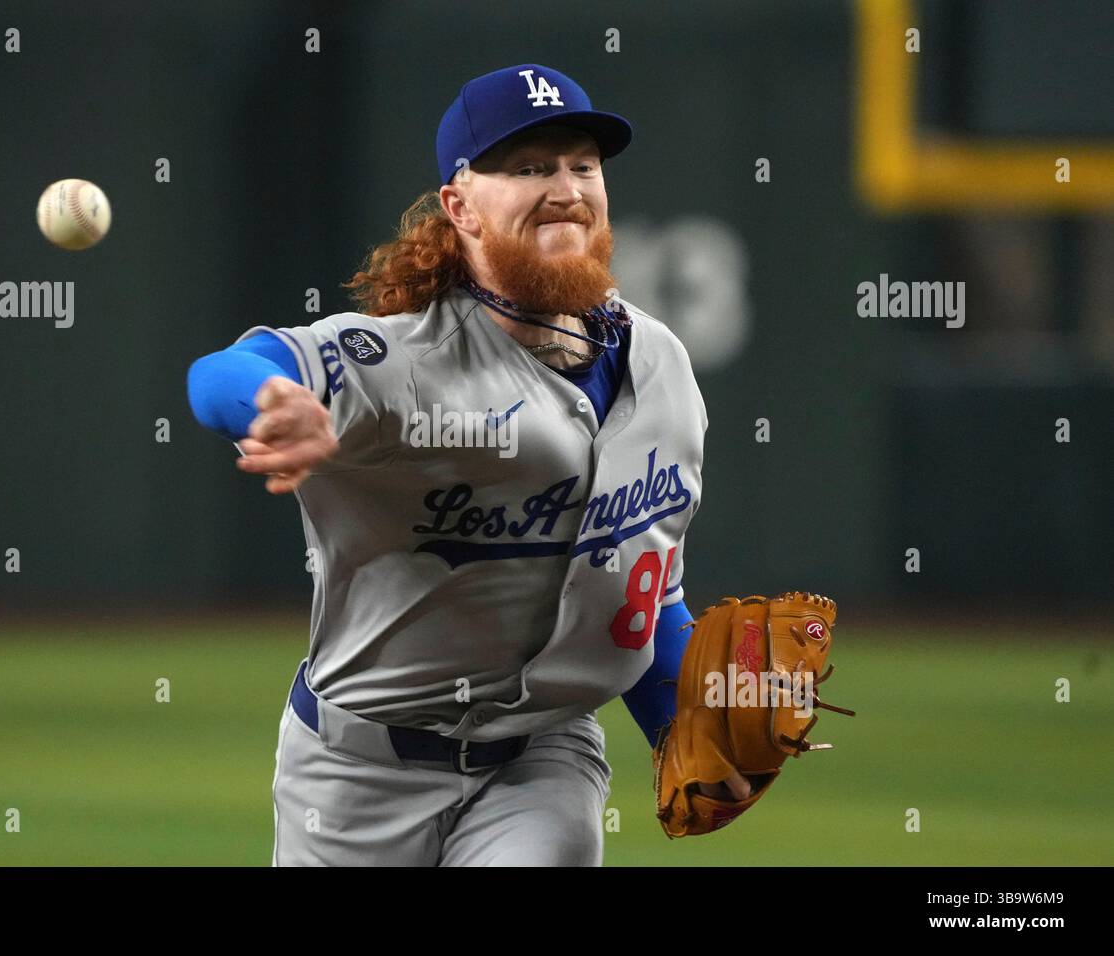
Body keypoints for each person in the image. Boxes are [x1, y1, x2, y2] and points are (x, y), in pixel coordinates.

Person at [187, 63, 745, 866]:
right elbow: (220, 375)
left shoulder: (661, 364)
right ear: (460, 207)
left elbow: (641, 589)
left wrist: (688, 721)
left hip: (542, 760)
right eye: (527, 168)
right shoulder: (406, 361)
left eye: (581, 164)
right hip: (354, 772)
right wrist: (272, 402)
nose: (564, 188)